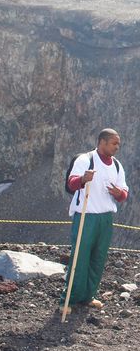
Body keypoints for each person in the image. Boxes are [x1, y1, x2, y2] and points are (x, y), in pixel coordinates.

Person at [60, 128, 128, 313]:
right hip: (86, 215)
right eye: (114, 143)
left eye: (118, 144)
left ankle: (88, 296)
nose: (117, 147)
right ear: (102, 142)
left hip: (105, 218)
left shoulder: (117, 165)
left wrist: (118, 193)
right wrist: (83, 178)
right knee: (80, 258)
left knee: (98, 258)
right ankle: (69, 300)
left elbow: (124, 193)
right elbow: (71, 183)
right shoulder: (85, 159)